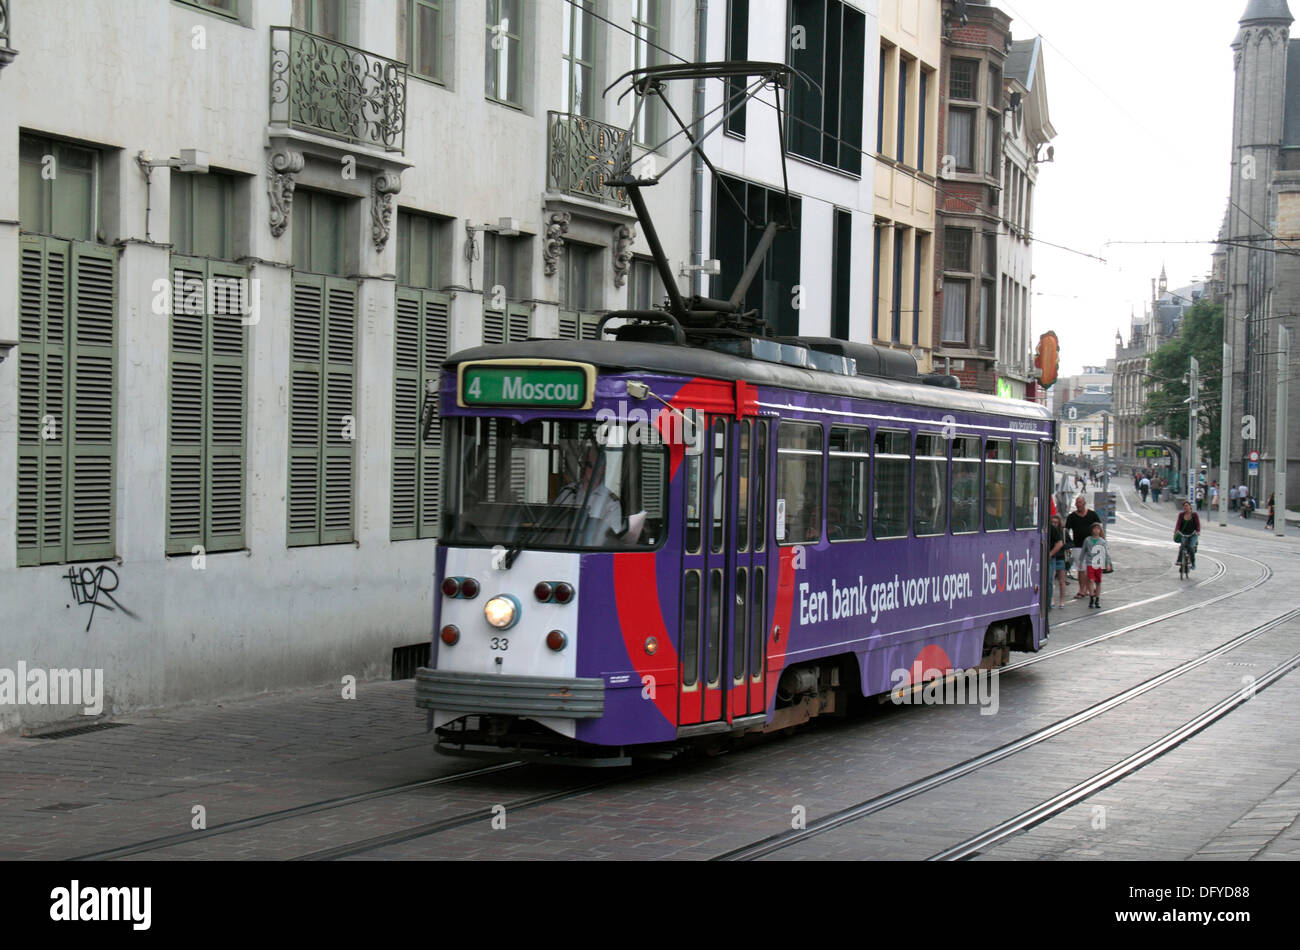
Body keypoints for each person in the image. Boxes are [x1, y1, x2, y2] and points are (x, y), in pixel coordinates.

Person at [554, 443, 624, 546]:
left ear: (603, 468)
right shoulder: (567, 492)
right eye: (586, 464)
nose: (585, 468)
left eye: (595, 465)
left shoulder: (611, 503)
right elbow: (551, 526)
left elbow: (610, 541)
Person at [1066, 495, 1102, 600]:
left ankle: (1089, 589)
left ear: (1084, 503)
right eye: (1077, 503)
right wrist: (1068, 544)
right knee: (1081, 569)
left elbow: (1099, 528)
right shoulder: (1072, 516)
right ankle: (1082, 590)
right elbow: (1066, 531)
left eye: (1080, 503)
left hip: (1092, 546)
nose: (1078, 505)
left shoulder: (1092, 514)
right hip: (1078, 546)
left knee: (1091, 568)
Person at [1082, 522, 1111, 609]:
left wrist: (1108, 563)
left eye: (1098, 529)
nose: (1096, 530)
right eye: (1094, 528)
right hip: (1090, 563)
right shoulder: (1087, 540)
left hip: (1099, 563)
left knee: (1098, 582)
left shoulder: (1102, 541)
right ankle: (1091, 597)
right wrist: (1080, 561)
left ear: (1100, 530)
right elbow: (1083, 551)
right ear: (1092, 530)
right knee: (1090, 580)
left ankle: (1097, 599)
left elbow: (1106, 553)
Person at [1048, 513, 1068, 608]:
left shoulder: (1063, 532)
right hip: (1054, 558)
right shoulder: (1050, 528)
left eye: (1056, 522)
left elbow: (1063, 543)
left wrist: (1051, 553)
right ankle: (1051, 600)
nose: (1054, 524)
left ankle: (1062, 601)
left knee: (1061, 581)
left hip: (1060, 558)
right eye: (1052, 522)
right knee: (1050, 580)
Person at [1175, 500, 1200, 570]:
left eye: (1186, 506)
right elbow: (1178, 524)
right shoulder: (1181, 515)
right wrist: (1176, 531)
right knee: (1182, 546)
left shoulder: (1194, 515)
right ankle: (1179, 560)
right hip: (1183, 534)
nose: (1185, 507)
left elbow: (1198, 525)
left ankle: (1193, 563)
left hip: (1193, 534)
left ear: (1190, 506)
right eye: (1184, 506)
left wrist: (1198, 531)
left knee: (1191, 547)